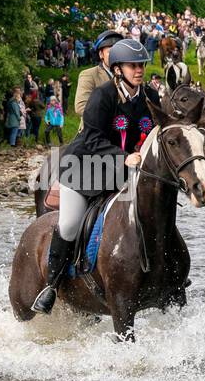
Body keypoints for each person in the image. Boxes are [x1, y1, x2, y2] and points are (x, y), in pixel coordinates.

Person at [31, 39, 157, 314]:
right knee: (70, 223)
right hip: (86, 168)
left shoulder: (149, 97)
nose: (139, 70)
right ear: (118, 68)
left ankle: (163, 276)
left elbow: (159, 128)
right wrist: (123, 156)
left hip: (125, 171)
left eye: (142, 65)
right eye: (133, 65)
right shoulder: (103, 96)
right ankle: (51, 285)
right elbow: (91, 137)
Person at [73, 29, 125, 122]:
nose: (115, 55)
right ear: (101, 54)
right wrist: (115, 116)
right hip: (96, 131)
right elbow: (81, 107)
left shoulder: (129, 75)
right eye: (110, 52)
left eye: (119, 51)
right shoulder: (89, 75)